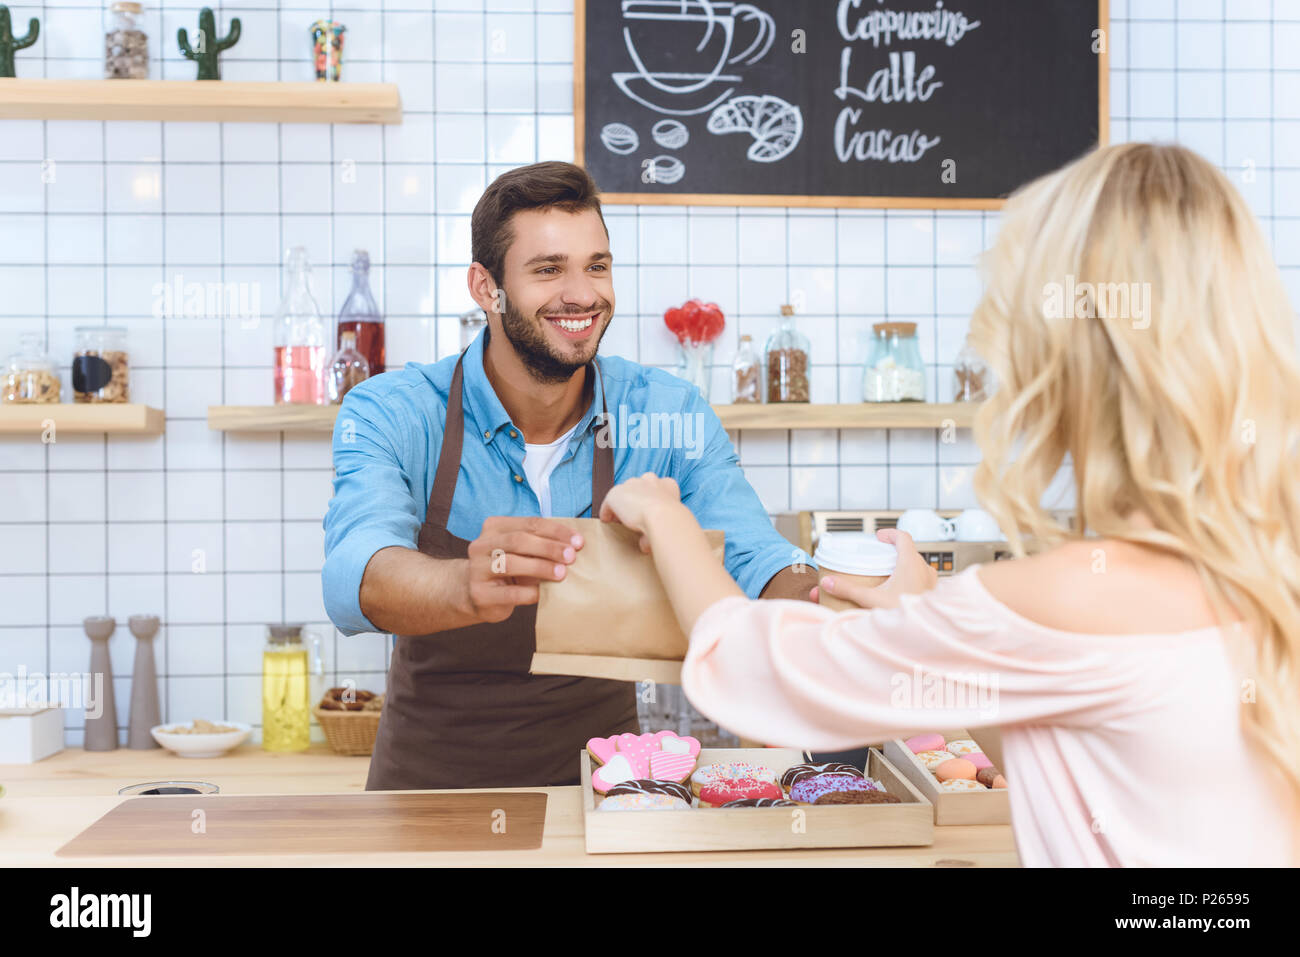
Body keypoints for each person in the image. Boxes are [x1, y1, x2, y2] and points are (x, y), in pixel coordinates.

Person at [598, 143, 1300, 866]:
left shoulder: (1063, 594)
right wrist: (937, 623)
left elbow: (752, 672)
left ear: (1068, 361)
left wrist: (669, 517)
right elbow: (1109, 743)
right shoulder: (1266, 561)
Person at [322, 161, 813, 791]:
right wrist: (466, 585)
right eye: (549, 269)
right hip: (428, 791)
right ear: (486, 288)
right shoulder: (392, 410)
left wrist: (820, 600)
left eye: (597, 265)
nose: (582, 293)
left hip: (613, 790)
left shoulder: (666, 412)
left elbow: (756, 554)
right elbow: (354, 573)